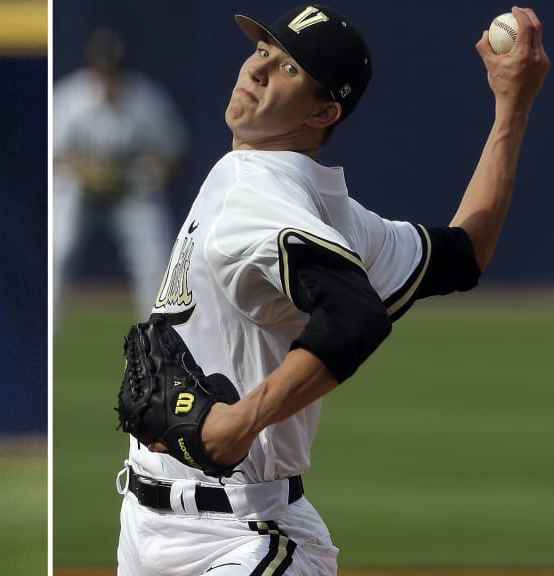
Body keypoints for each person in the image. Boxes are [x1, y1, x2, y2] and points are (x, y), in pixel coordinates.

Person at [117, 5, 547, 575]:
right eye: (265, 50)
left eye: (289, 68)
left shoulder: (260, 197)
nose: (258, 68)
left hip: (243, 541)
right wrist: (511, 108)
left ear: (325, 111)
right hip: (150, 527)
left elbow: (355, 316)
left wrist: (240, 422)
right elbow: (463, 254)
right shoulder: (321, 206)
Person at [53, 28, 188, 322]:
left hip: (130, 191)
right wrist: (86, 170)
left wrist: (144, 173)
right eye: (101, 68)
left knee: (153, 258)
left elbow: (173, 153)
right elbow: (54, 155)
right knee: (57, 249)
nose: (107, 76)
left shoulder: (147, 102)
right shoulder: (70, 98)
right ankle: (48, 331)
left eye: (112, 68)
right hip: (80, 191)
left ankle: (157, 334)